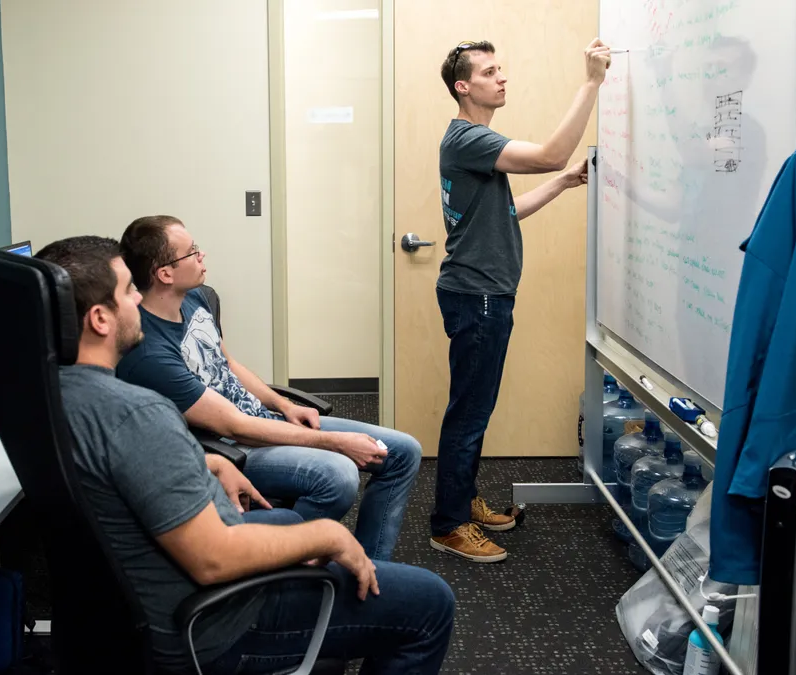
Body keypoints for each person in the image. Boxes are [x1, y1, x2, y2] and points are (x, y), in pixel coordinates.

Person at [36, 236, 455, 674]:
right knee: (430, 603)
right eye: (127, 291)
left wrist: (207, 462)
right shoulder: (137, 412)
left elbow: (107, 469)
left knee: (291, 521)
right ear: (100, 318)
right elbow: (213, 559)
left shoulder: (50, 392)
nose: (137, 298)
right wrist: (329, 536)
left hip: (126, 613)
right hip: (211, 626)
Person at [116, 216, 420, 562]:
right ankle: (270, 566)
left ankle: (372, 568)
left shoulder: (194, 299)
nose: (202, 256)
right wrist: (335, 442)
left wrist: (284, 404)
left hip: (260, 419)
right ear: (164, 273)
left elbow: (227, 363)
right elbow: (234, 426)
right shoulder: (149, 353)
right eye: (192, 252)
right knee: (339, 475)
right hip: (231, 446)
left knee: (403, 451)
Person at [430, 38, 610, 562]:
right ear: (464, 87)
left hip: (480, 293)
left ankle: (461, 502)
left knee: (473, 408)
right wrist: (592, 81)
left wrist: (560, 185)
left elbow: (504, 215)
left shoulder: (474, 143)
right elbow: (552, 151)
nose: (502, 77)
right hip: (478, 296)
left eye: (501, 69)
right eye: (490, 72)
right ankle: (449, 524)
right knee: (469, 412)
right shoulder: (468, 139)